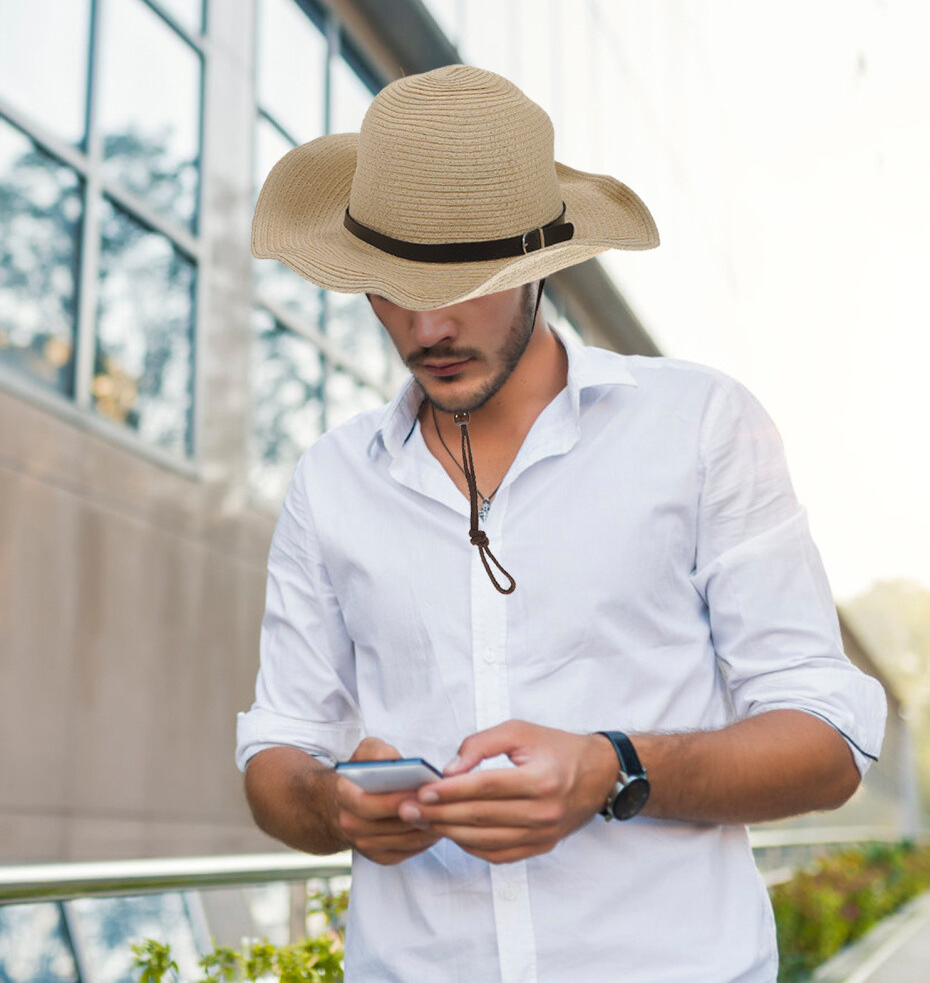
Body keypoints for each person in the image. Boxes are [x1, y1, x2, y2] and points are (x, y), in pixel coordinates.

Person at [238, 65, 886, 983]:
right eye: (388, 285)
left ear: (543, 263)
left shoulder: (701, 426)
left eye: (465, 281)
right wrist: (332, 802)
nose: (427, 326)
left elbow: (828, 741)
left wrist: (612, 769)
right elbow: (276, 755)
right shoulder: (329, 482)